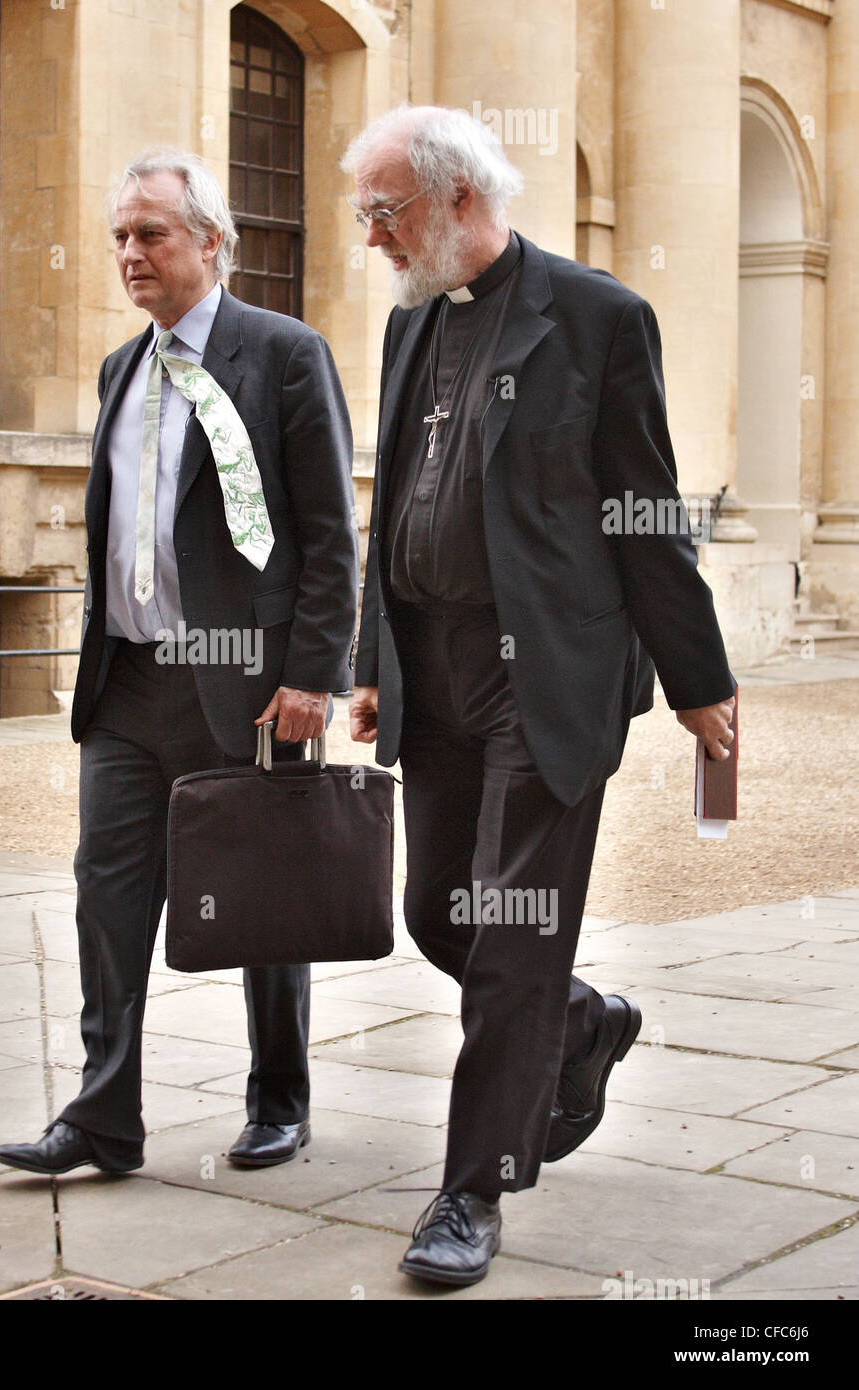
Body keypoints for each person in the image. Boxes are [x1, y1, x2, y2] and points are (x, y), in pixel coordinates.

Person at [343, 106, 737, 1286]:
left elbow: (648, 512)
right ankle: (579, 1023)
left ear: (459, 199)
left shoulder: (600, 319)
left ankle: (471, 1189)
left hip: (547, 673)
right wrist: (375, 655)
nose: (370, 238)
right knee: (436, 913)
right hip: (436, 664)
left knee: (511, 934)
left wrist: (698, 681)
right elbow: (392, 507)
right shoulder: (411, 320)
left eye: (384, 212)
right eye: (364, 215)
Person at [0, 148, 359, 1178]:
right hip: (125, 688)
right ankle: (103, 1115)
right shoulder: (121, 370)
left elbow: (330, 530)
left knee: (263, 896)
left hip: (244, 687)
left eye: (148, 232)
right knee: (105, 897)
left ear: (210, 240)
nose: (128, 253)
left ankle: (277, 1098)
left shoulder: (283, 354)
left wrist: (312, 673)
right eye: (118, 235)